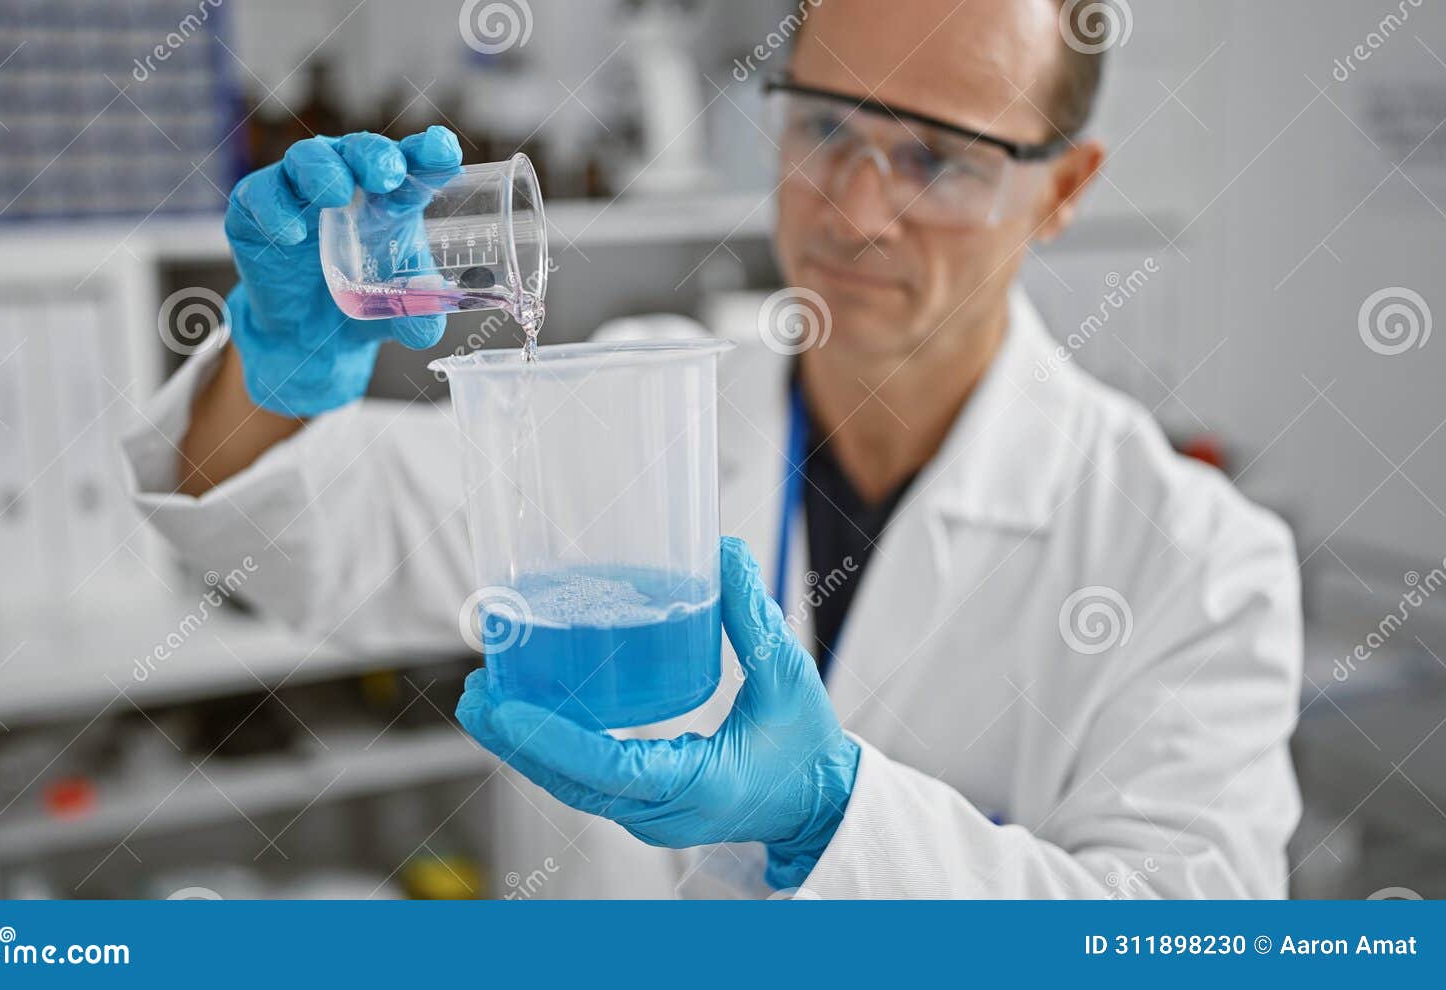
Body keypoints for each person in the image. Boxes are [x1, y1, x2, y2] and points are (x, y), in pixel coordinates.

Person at [124, 0, 1301, 898]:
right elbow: (296, 532)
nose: (853, 207)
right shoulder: (638, 391)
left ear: (1063, 190)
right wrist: (275, 373)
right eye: (826, 126)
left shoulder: (1195, 559)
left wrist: (837, 821)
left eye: (938, 157)